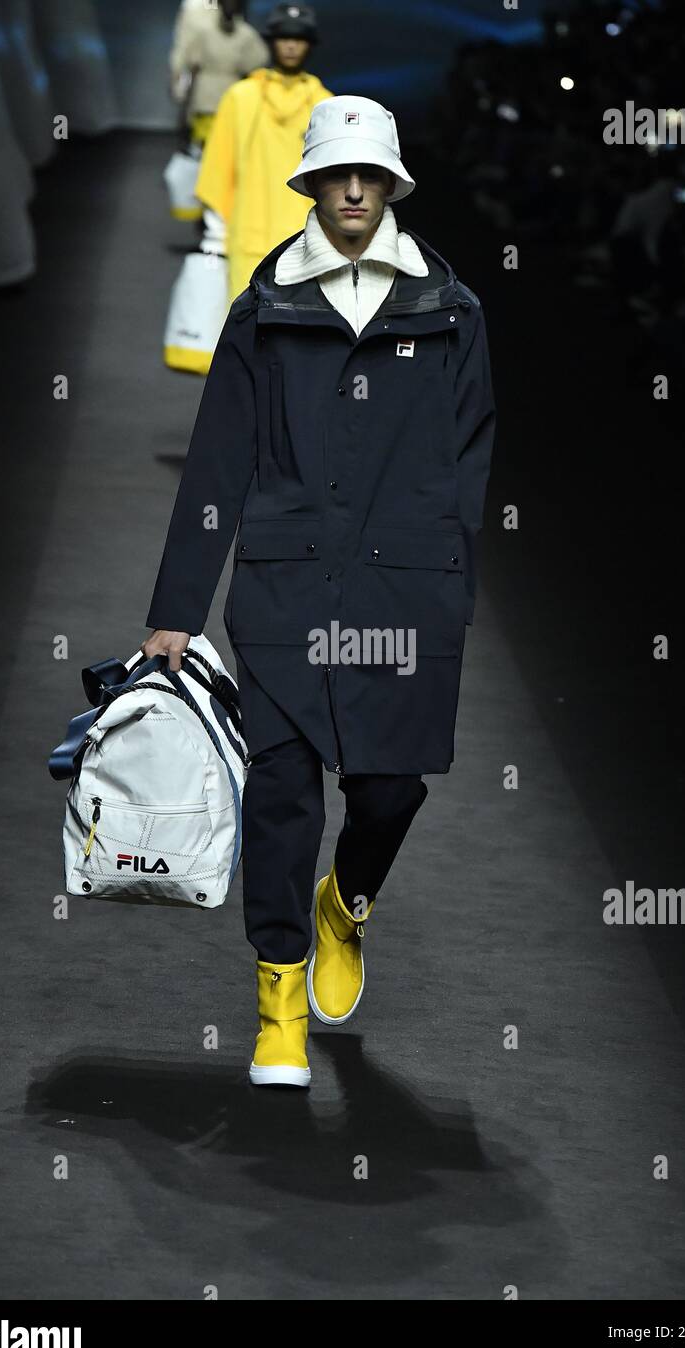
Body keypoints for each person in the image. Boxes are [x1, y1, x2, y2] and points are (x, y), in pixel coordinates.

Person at [144, 96, 496, 1088]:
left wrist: (448, 577)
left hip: (403, 586)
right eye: (334, 174)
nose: (350, 189)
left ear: (388, 185)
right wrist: (176, 605)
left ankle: (348, 901)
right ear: (311, 185)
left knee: (388, 787)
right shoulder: (266, 310)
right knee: (284, 796)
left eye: (367, 174)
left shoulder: (451, 310)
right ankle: (277, 1005)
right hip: (286, 587)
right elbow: (217, 460)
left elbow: (470, 454)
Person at [195, 3, 332, 304]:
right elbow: (220, 165)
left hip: (307, 243)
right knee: (246, 332)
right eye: (284, 36)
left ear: (310, 44)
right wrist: (215, 236)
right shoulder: (241, 98)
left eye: (299, 38)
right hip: (247, 235)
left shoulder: (325, 108)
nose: (292, 45)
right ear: (271, 41)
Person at [169, 0, 269, 149]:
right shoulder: (204, 31)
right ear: (219, 4)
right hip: (205, 99)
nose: (231, 5)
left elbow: (256, 68)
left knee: (230, 147)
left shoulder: (247, 35)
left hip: (234, 96)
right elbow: (193, 67)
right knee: (204, 149)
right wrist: (185, 109)